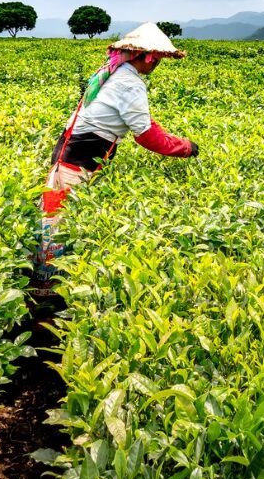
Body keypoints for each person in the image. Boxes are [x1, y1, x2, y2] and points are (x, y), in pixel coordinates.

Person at [37, 22, 199, 295]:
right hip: (78, 158)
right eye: (156, 59)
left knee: (57, 217)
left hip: (71, 152)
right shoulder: (129, 82)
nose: (157, 64)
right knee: (58, 223)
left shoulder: (111, 72)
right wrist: (183, 148)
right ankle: (47, 292)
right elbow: (146, 134)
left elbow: (141, 120)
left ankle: (50, 284)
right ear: (145, 56)